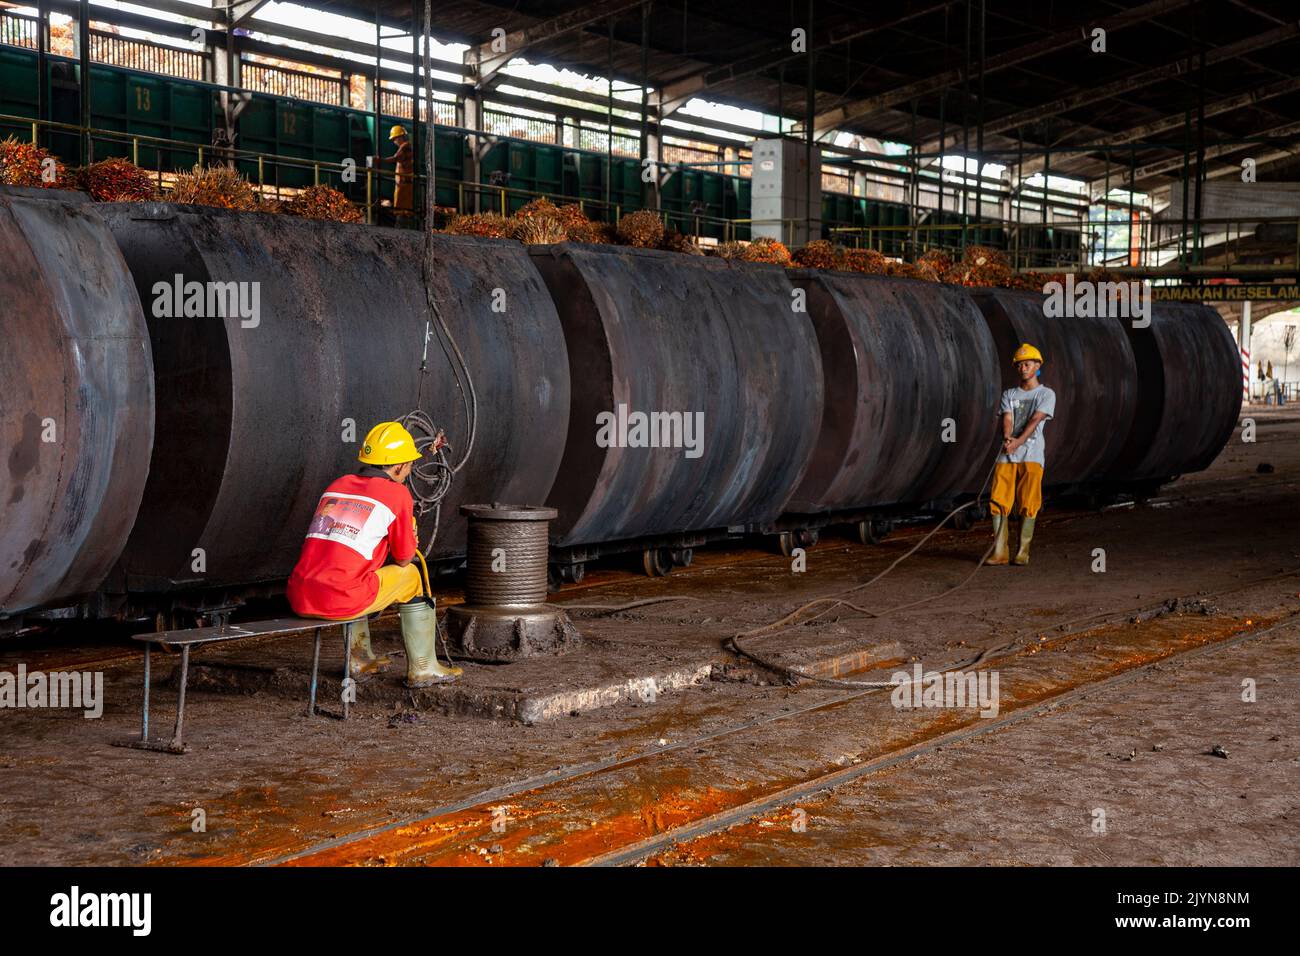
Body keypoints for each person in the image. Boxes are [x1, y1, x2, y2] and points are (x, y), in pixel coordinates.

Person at [286, 420, 460, 686]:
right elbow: (403, 558)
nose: (409, 470)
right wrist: (409, 536)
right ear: (399, 466)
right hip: (339, 599)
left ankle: (360, 659)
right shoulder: (397, 494)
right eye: (409, 465)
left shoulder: (337, 485)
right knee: (412, 576)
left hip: (299, 594)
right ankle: (424, 668)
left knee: (357, 573)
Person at [988, 343, 1056, 566]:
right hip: (1007, 454)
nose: (1023, 368)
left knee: (1028, 501)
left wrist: (1018, 442)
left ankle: (1022, 552)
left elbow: (1035, 419)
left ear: (1037, 366)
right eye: (1019, 365)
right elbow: (1007, 418)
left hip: (1032, 454)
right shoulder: (1009, 394)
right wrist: (1008, 437)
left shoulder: (1046, 394)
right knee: (998, 499)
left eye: (1027, 364)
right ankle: (999, 552)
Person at [374, 124, 414, 226]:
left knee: (402, 209)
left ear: (400, 137)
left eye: (394, 139)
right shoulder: (406, 146)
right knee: (401, 208)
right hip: (403, 183)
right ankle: (402, 225)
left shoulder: (405, 147)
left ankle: (402, 227)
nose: (394, 142)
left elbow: (396, 158)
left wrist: (380, 160)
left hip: (404, 184)